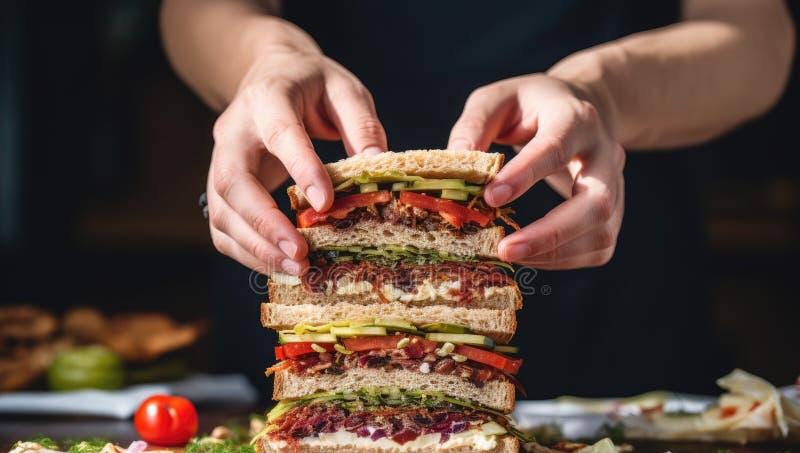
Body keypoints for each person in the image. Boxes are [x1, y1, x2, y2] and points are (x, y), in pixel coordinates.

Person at [160, 0, 795, 397]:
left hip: (619, 298)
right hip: (310, 246)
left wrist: (597, 93)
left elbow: (757, 35)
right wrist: (265, 60)